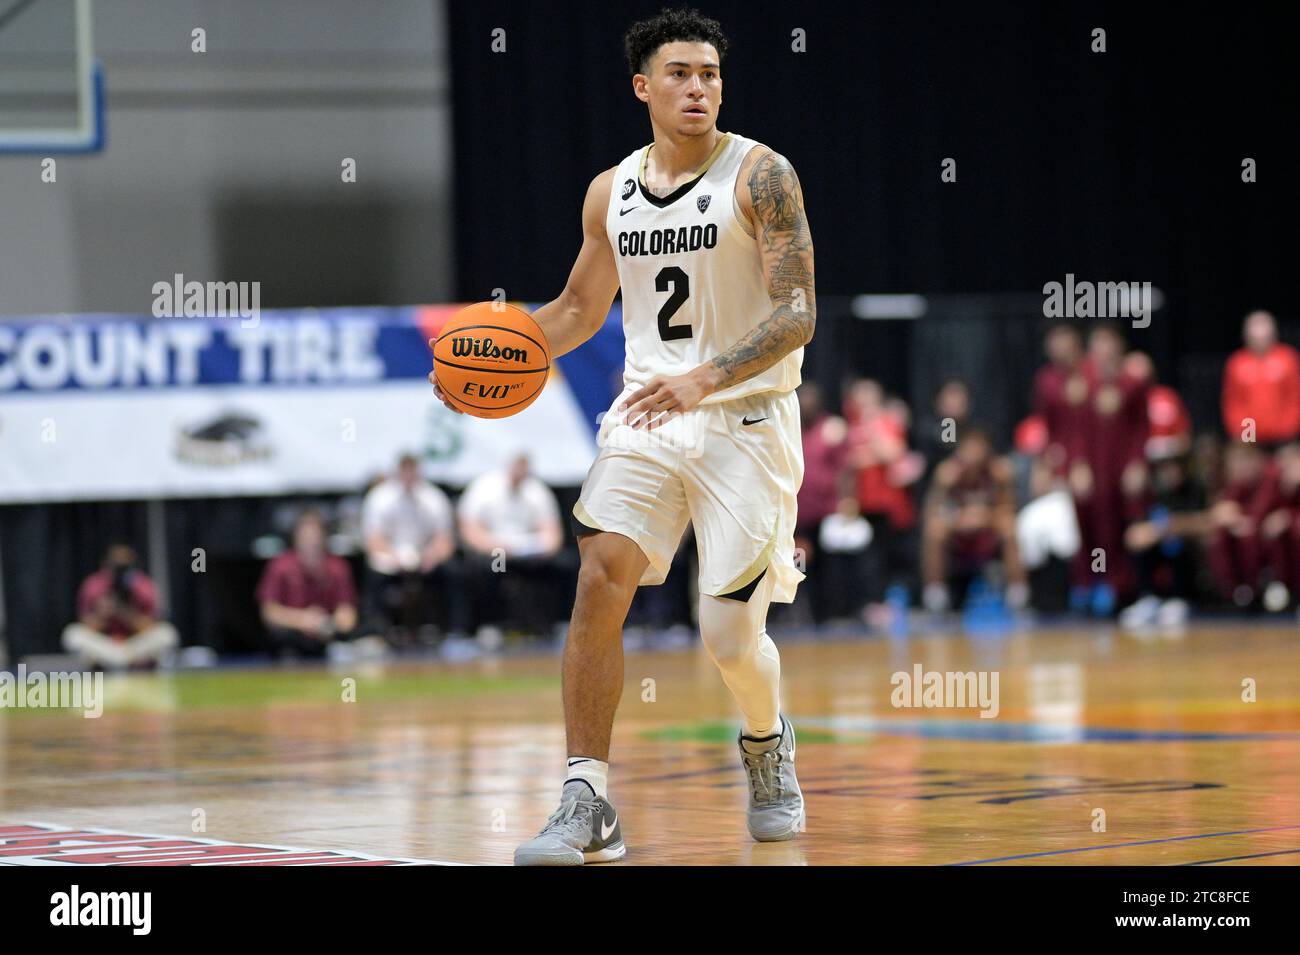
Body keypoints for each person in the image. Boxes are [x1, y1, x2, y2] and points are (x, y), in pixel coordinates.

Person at [431, 8, 813, 865]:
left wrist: (707, 377)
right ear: (643, 87)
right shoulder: (613, 190)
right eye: (679, 73)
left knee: (726, 636)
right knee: (601, 574)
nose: (698, 88)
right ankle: (586, 797)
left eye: (710, 74)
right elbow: (575, 309)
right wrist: (485, 362)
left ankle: (766, 740)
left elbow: (799, 312)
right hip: (646, 415)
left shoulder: (763, 175)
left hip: (745, 421)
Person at [456, 453, 566, 638]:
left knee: (563, 566)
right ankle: (492, 623)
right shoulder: (484, 487)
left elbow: (553, 533)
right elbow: (469, 530)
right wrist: (496, 546)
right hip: (497, 552)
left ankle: (553, 623)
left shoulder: (537, 491)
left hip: (530, 555)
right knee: (492, 569)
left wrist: (544, 547)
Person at [921, 426, 1027, 613]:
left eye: (978, 448)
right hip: (957, 530)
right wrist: (958, 517)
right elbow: (932, 512)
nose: (973, 454)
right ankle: (935, 594)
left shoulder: (998, 473)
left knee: (1010, 527)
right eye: (968, 448)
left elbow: (1009, 508)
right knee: (935, 530)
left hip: (987, 530)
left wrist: (985, 516)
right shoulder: (947, 473)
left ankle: (1018, 592)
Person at [360, 453, 459, 641]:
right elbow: (373, 539)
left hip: (426, 558)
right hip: (391, 558)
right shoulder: (380, 497)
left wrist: (432, 555)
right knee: (374, 574)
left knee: (454, 572)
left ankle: (455, 631)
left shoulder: (433, 497)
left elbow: (444, 538)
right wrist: (395, 556)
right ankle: (375, 632)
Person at [257, 510, 358, 658]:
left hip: (326, 640)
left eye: (315, 536)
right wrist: (303, 620)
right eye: (306, 537)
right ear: (296, 538)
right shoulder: (280, 566)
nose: (312, 542)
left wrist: (327, 624)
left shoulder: (338, 568)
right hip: (291, 641)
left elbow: (348, 615)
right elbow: (269, 613)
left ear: (324, 538)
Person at [62, 544, 179, 670]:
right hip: (107, 646)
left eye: (125, 567)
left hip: (133, 646)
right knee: (72, 634)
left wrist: (122, 610)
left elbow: (150, 626)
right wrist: (103, 614)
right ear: (106, 564)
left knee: (167, 634)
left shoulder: (144, 586)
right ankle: (119, 663)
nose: (120, 571)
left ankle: (119, 663)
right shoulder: (93, 585)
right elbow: (86, 625)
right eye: (117, 566)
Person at [1221, 310, 1300, 447]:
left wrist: (1287, 431)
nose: (1260, 342)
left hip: (1284, 437)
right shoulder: (1237, 363)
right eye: (1255, 338)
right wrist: (1247, 434)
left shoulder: (1288, 359)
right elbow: (1234, 403)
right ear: (1246, 338)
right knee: (1244, 463)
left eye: (1264, 337)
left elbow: (1294, 398)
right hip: (1250, 436)